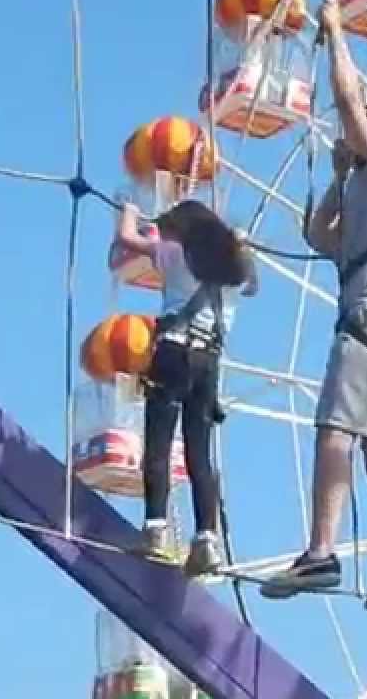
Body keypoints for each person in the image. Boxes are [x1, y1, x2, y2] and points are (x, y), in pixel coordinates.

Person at [259, 0, 367, 610]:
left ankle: (320, 551)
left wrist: (335, 33)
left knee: (334, 431)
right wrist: (337, 177)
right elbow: (319, 238)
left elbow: (347, 103)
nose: (359, 120)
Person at [114, 196, 259, 577]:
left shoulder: (175, 254)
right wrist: (242, 247)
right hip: (208, 361)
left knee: (159, 444)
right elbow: (253, 286)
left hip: (173, 352)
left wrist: (129, 208)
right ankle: (207, 541)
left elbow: (128, 238)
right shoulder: (234, 268)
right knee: (200, 455)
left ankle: (155, 531)